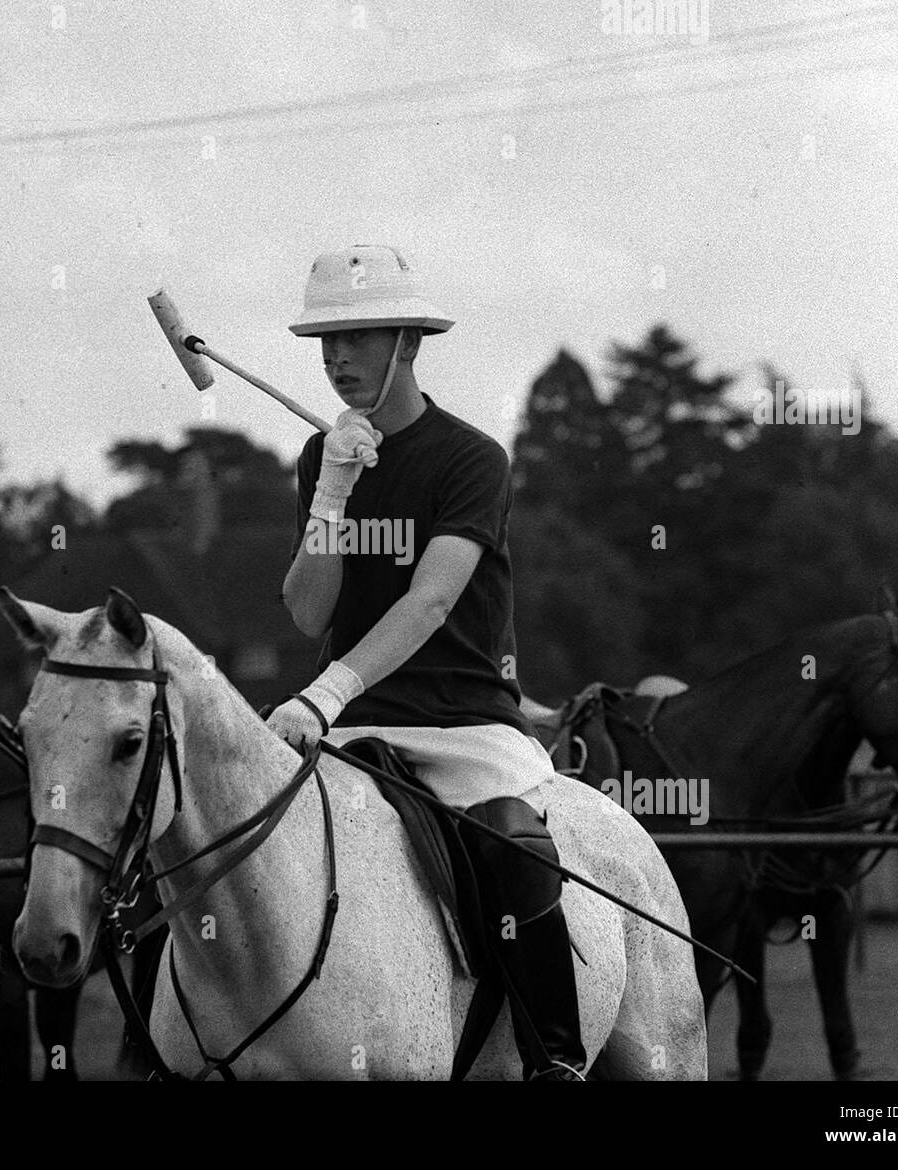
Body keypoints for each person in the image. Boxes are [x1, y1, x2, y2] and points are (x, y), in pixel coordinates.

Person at [267, 244, 586, 1080]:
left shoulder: (472, 460)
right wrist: (331, 497)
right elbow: (308, 612)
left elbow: (432, 601)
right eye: (326, 342)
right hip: (355, 728)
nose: (337, 359)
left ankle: (557, 1063)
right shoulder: (322, 457)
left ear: (407, 340)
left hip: (462, 725)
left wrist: (326, 693)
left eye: (359, 337)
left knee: (515, 847)